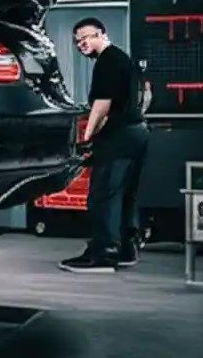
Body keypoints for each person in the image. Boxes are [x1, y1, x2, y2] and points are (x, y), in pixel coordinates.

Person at [59, 17, 150, 273]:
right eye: (77, 40)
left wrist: (86, 137)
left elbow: (101, 106)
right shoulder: (124, 60)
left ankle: (103, 254)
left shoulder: (107, 61)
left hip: (119, 137)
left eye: (86, 37)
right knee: (126, 195)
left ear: (101, 34)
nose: (81, 44)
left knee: (103, 196)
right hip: (138, 133)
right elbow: (146, 97)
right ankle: (126, 250)